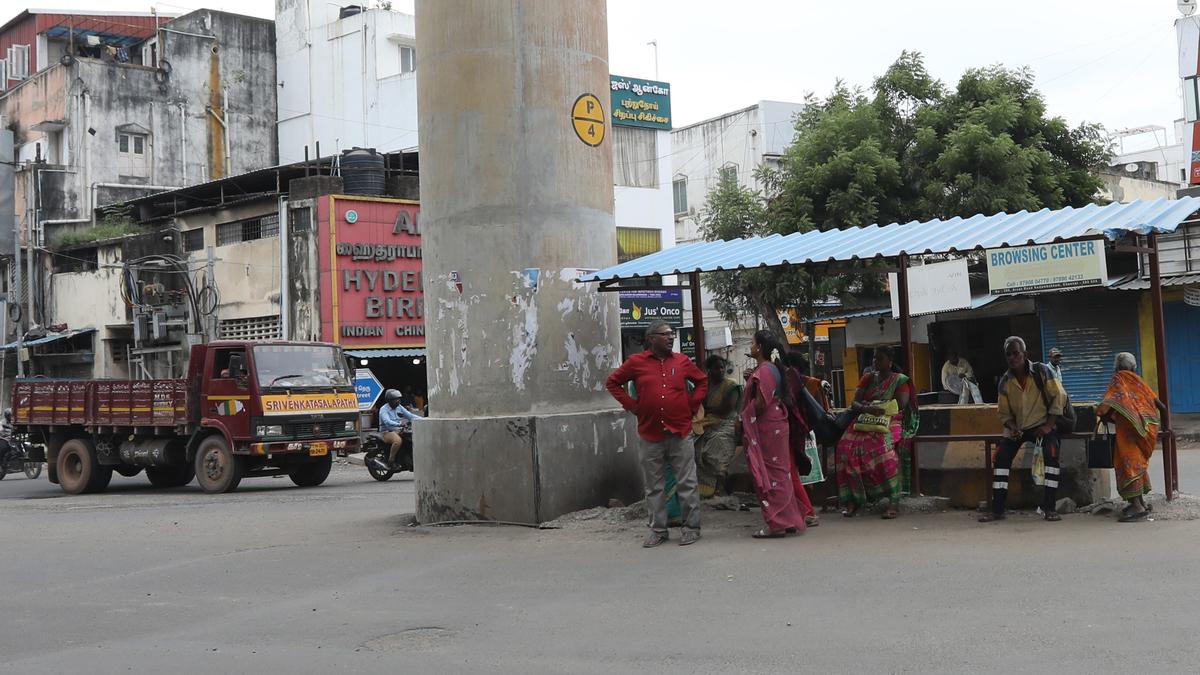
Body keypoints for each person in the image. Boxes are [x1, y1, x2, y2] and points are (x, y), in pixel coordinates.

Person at [606, 320, 707, 548]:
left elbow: (701, 381)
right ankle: (658, 530)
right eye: (665, 334)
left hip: (680, 431)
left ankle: (691, 528)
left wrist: (691, 406)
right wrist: (632, 406)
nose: (671, 337)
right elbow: (612, 383)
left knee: (687, 482)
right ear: (652, 338)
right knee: (654, 486)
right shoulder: (636, 362)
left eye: (672, 334)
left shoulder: (681, 361)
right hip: (650, 433)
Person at [981, 336, 1067, 523]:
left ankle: (1050, 508)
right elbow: (1003, 412)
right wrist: (1013, 428)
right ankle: (997, 510)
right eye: (1008, 354)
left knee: (1051, 455)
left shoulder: (1042, 371)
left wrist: (1048, 426)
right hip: (1018, 428)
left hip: (1042, 425)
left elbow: (1059, 397)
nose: (1012, 358)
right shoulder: (1005, 381)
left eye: (1016, 353)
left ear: (1025, 354)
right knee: (1001, 458)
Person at [740, 330, 813, 538]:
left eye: (752, 343)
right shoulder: (772, 368)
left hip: (767, 426)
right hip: (777, 423)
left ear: (759, 347)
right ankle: (787, 520)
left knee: (769, 475)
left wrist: (742, 417)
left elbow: (761, 403)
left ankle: (777, 524)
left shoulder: (765, 370)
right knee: (781, 474)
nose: (750, 346)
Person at [835, 346, 914, 519]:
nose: (875, 361)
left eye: (880, 358)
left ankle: (893, 500)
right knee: (844, 449)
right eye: (874, 358)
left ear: (889, 362)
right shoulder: (868, 378)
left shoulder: (899, 380)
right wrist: (867, 408)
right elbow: (855, 402)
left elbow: (900, 404)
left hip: (890, 420)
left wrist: (879, 407)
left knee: (881, 450)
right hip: (865, 419)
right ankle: (853, 500)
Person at [1096, 352, 1167, 522]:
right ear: (1134, 367)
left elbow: (1111, 404)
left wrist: (1103, 415)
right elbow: (1162, 407)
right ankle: (1140, 503)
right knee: (1137, 466)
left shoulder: (1118, 379)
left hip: (1128, 435)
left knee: (1129, 467)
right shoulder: (1139, 382)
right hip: (1146, 432)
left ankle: (1137, 507)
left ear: (1117, 368)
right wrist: (1165, 427)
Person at [693, 355, 741, 500]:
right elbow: (700, 404)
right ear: (709, 370)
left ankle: (721, 487)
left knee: (718, 443)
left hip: (727, 423)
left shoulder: (731, 386)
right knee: (696, 445)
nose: (720, 370)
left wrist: (708, 409)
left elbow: (727, 408)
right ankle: (707, 489)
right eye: (716, 368)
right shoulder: (706, 386)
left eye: (722, 367)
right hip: (709, 422)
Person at [375, 388, 422, 471]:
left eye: (399, 399)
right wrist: (399, 424)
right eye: (395, 399)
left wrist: (424, 419)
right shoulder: (384, 409)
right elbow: (387, 421)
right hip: (387, 432)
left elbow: (410, 416)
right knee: (398, 441)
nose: (398, 401)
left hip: (399, 430)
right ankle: (391, 461)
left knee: (411, 438)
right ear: (389, 400)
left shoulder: (399, 407)